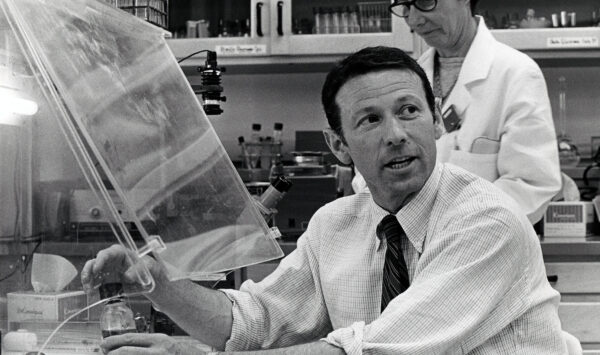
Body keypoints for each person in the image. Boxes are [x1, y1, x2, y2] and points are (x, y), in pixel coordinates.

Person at [82, 46, 567, 354]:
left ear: (436, 122)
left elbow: (373, 351)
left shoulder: (485, 222)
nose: (396, 134)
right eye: (370, 120)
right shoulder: (336, 225)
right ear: (338, 145)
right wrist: (158, 284)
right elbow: (255, 321)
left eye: (409, 111)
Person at [352, 0, 562, 225]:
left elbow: (531, 186)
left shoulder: (515, 73)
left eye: (426, 0)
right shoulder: (408, 79)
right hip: (410, 246)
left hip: (484, 247)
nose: (415, 20)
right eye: (405, 6)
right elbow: (371, 170)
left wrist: (449, 229)